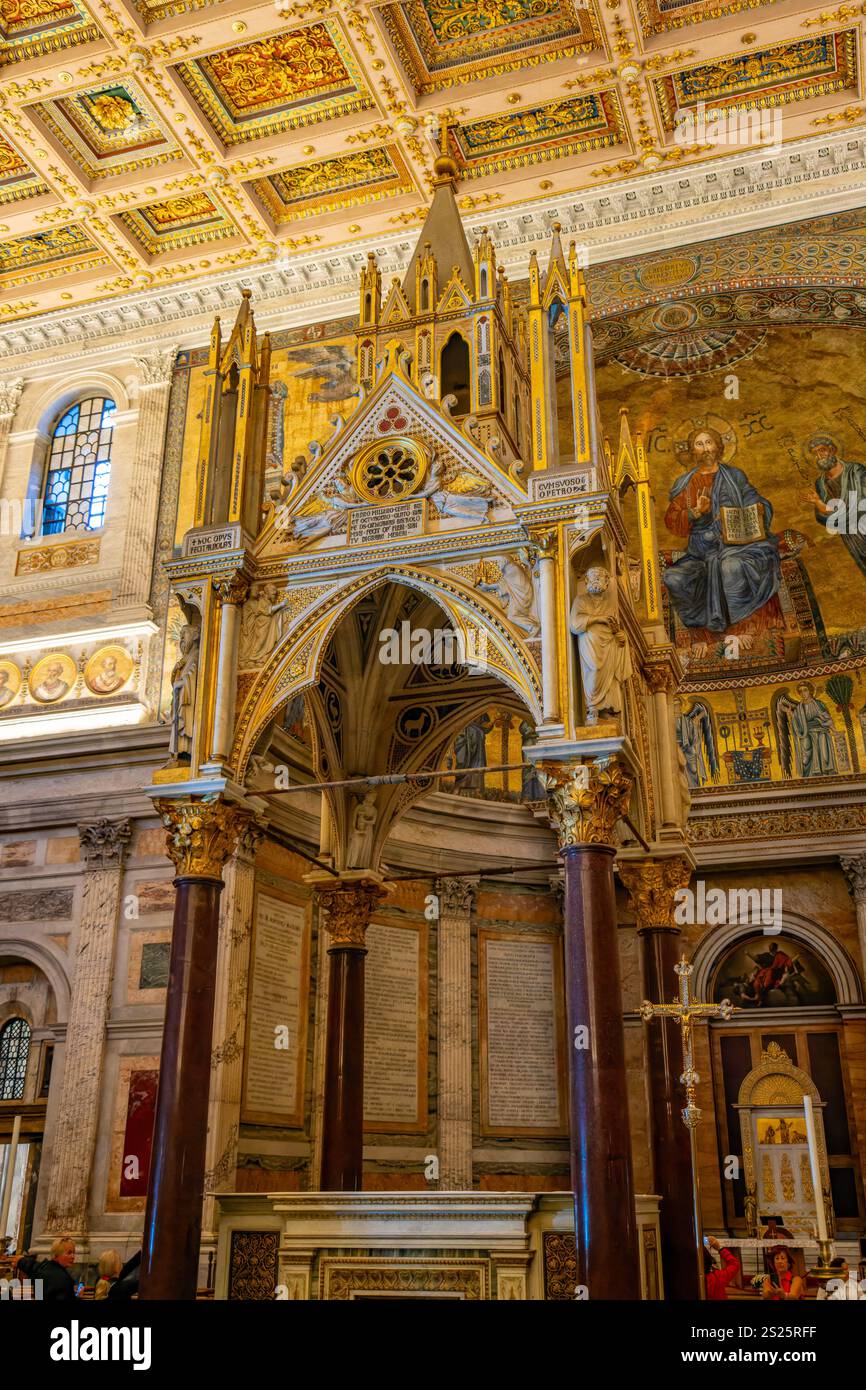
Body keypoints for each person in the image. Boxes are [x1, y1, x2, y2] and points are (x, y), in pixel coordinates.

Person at [663, 426, 782, 638]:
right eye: (699, 444)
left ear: (718, 447)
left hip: (739, 545)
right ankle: (702, 635)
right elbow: (672, 521)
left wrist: (756, 509)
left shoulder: (734, 476)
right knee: (674, 578)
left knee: (731, 567)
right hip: (701, 551)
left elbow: (754, 500)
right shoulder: (685, 483)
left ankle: (742, 627)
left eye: (709, 442)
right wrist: (695, 512)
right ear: (692, 451)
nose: (705, 448)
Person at [15, 1234, 77, 1300]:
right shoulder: (64, 1279)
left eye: (74, 1253)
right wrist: (76, 1295)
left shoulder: (43, 1267)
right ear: (56, 1255)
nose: (73, 1257)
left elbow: (28, 1264)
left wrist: (20, 1260)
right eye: (69, 1253)